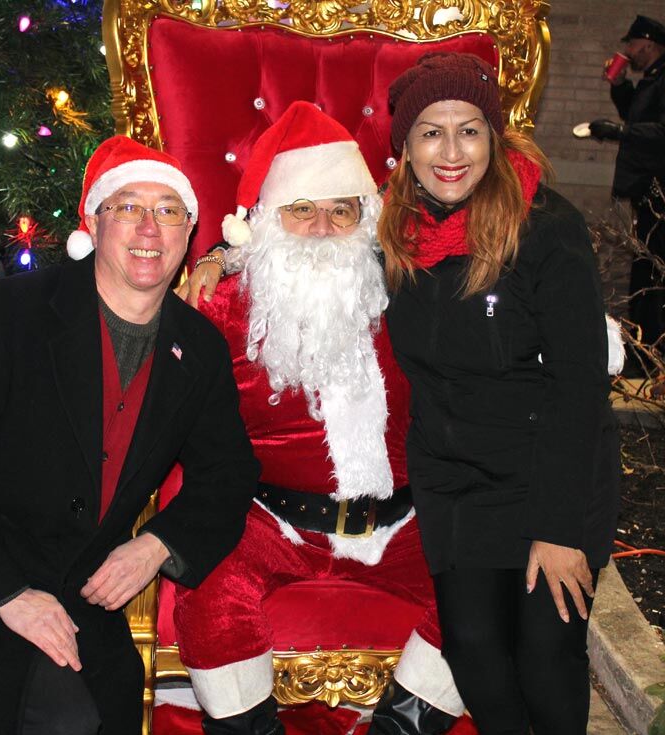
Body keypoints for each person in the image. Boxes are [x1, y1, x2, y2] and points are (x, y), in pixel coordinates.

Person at [0, 136, 260, 735]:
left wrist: (156, 546)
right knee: (51, 719)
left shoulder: (198, 347)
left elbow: (229, 472)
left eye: (168, 210)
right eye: (128, 207)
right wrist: (9, 594)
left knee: (104, 714)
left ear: (189, 231)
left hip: (87, 588)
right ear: (93, 220)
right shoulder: (8, 314)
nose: (149, 228)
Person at [172, 101, 465, 735]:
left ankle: (396, 730)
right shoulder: (220, 305)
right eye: (302, 209)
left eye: (342, 209)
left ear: (368, 216)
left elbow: (499, 320)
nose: (325, 227)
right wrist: (216, 260)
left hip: (405, 521)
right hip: (273, 520)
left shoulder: (414, 290)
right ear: (269, 222)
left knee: (487, 585)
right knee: (211, 594)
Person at [378, 53, 621, 734]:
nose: (450, 152)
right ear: (404, 146)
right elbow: (297, 232)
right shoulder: (392, 231)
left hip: (550, 471)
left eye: (469, 130)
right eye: (430, 132)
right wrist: (221, 255)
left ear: (495, 135)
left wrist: (556, 528)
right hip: (457, 481)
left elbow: (579, 388)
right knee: (474, 653)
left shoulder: (545, 229)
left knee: (544, 656)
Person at [588, 15, 665, 372]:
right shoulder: (655, 79)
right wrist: (620, 86)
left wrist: (618, 132)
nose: (628, 51)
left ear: (650, 44)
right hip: (649, 192)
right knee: (644, 271)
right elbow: (636, 116)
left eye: (633, 45)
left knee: (654, 275)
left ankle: (648, 356)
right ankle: (640, 352)